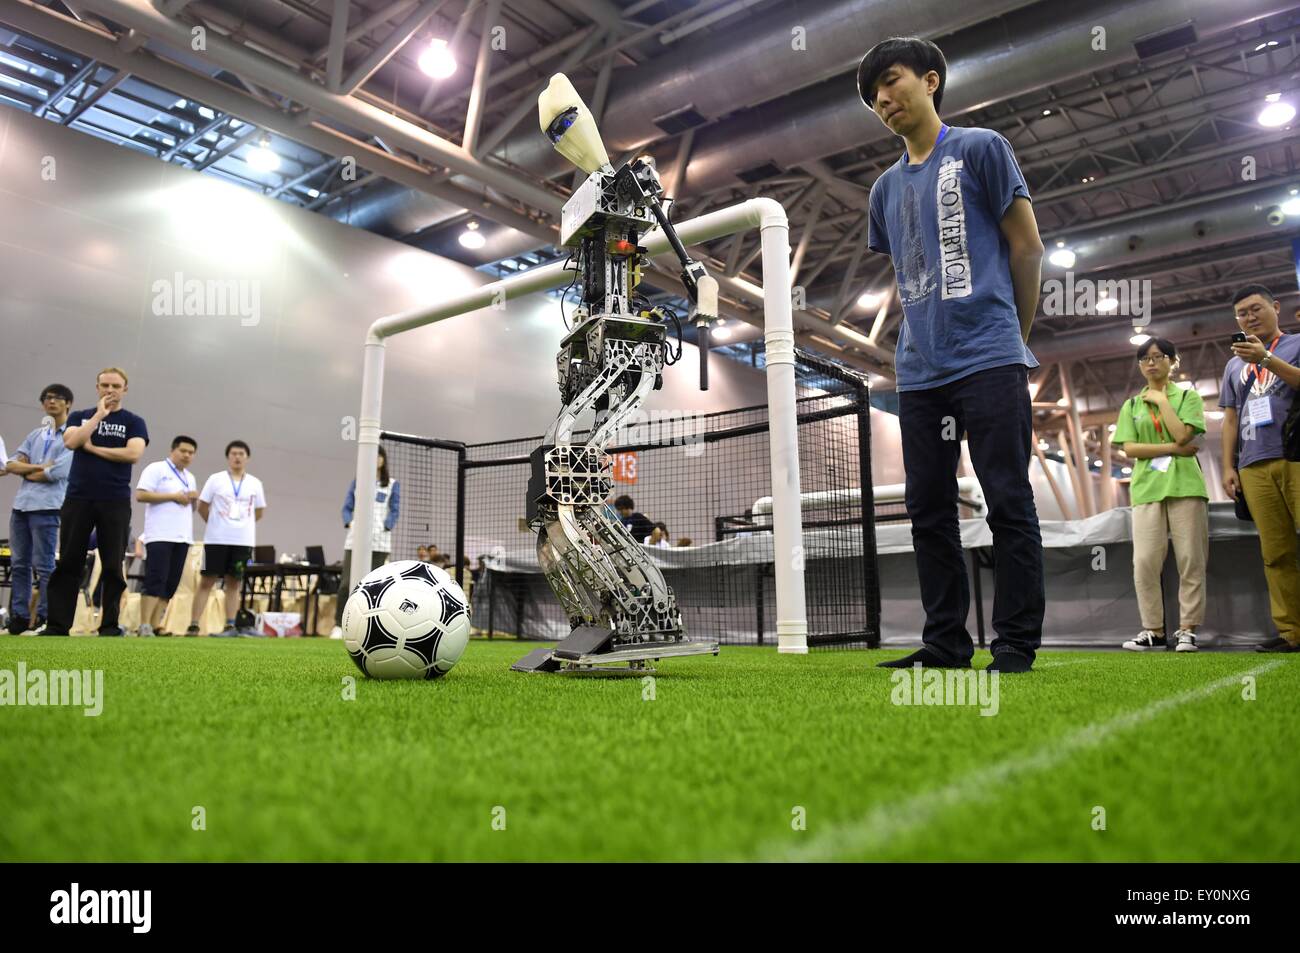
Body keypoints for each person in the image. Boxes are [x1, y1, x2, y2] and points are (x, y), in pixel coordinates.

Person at [859, 37, 1045, 673]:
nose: (884, 99)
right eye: (873, 96)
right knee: (928, 510)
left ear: (930, 80)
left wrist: (1011, 339)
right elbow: (910, 270)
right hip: (919, 374)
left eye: (891, 81)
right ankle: (945, 643)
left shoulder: (982, 149)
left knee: (1007, 499)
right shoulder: (883, 190)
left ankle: (1016, 643)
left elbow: (1027, 248)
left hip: (990, 358)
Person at [1112, 339, 1208, 652]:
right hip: (1146, 488)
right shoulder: (1131, 405)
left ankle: (1187, 629)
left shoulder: (1188, 396)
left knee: (1190, 558)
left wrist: (1162, 400)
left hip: (1186, 486)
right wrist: (1172, 449)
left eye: (1159, 357)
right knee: (1144, 562)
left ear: (1173, 361)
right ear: (1140, 365)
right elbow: (1130, 449)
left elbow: (1184, 433)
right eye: (1145, 359)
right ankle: (1153, 630)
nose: (1151, 363)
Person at [1219, 285, 1300, 653]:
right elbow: (1230, 419)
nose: (1249, 317)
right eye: (1242, 313)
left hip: (1295, 455)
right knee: (1276, 552)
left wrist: (1266, 358)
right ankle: (1291, 632)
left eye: (1255, 309)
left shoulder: (1295, 345)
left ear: (1276, 307)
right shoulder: (1234, 364)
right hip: (1253, 465)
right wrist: (1228, 465)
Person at [41, 368, 148, 636]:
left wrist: (93, 449)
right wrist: (99, 415)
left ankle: (109, 625)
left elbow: (133, 453)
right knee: (69, 562)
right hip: (78, 498)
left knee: (113, 564)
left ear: (125, 389)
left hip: (115, 500)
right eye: (105, 385)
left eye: (116, 385)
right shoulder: (80, 416)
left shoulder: (134, 422)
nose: (110, 390)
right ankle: (57, 624)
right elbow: (72, 442)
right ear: (97, 387)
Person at [3, 384, 75, 633]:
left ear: (68, 404)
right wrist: (38, 467)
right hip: (21, 507)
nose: (50, 401)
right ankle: (19, 618)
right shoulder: (36, 434)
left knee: (44, 565)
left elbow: (56, 473)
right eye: (46, 398)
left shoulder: (71, 436)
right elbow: (10, 464)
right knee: (19, 564)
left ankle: (45, 617)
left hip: (48, 507)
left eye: (57, 398)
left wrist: (32, 469)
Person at [188, 441, 267, 638]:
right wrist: (215, 523)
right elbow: (202, 506)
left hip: (243, 541)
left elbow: (258, 511)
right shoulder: (216, 479)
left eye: (241, 454)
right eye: (233, 453)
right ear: (228, 457)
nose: (237, 457)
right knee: (207, 580)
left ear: (247, 458)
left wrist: (241, 525)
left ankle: (230, 624)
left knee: (234, 582)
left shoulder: (255, 483)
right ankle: (193, 624)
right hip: (216, 539)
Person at [331, 447, 400, 639]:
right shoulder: (358, 482)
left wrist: (386, 526)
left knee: (373, 586)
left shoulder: (392, 485)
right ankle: (339, 624)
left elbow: (394, 511)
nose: (376, 459)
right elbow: (347, 507)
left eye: (379, 456)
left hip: (379, 542)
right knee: (346, 584)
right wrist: (350, 522)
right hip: (355, 540)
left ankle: (369, 626)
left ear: (383, 460)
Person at [134, 435, 199, 637]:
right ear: (173, 451)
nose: (187, 455)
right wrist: (173, 496)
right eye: (183, 451)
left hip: (183, 537)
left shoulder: (190, 477)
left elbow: (189, 507)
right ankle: (144, 623)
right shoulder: (157, 469)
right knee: (156, 578)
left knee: (171, 583)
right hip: (160, 534)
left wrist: (192, 499)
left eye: (191, 452)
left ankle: (156, 624)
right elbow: (141, 495)